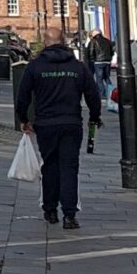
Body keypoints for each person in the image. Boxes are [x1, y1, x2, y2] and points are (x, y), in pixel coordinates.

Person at [15, 33, 104, 229]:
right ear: (64, 42)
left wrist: (23, 119)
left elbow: (22, 96)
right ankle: (70, 215)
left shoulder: (35, 66)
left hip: (46, 124)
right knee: (69, 167)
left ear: (46, 43)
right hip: (71, 123)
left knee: (50, 165)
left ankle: (50, 210)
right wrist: (95, 117)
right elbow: (92, 94)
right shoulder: (78, 67)